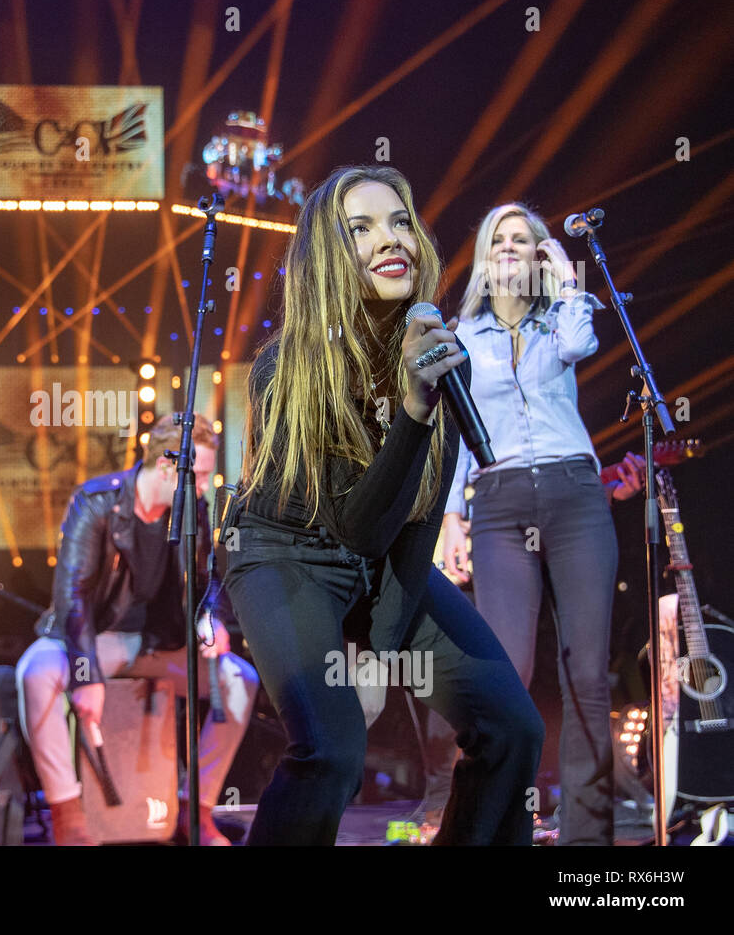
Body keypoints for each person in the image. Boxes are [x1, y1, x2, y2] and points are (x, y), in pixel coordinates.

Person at [221, 165, 544, 846]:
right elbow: (354, 523)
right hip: (286, 555)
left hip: (388, 559)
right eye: (361, 227)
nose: (390, 238)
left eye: (400, 221)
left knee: (513, 727)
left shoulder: (434, 353)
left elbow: (414, 522)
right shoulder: (289, 368)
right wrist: (414, 413)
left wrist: (379, 652)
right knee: (333, 751)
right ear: (329, 257)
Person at [437, 202, 637, 845]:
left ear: (538, 255)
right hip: (498, 503)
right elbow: (459, 437)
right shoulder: (461, 337)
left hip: (574, 492)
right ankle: (503, 826)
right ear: (484, 258)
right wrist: (451, 515)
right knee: (506, 671)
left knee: (585, 672)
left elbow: (583, 345)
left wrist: (568, 281)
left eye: (522, 241)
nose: (509, 250)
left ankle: (586, 842)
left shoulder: (561, 323)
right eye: (499, 241)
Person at [17, 413, 261, 845]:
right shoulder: (96, 503)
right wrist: (85, 674)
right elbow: (71, 595)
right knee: (34, 672)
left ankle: (195, 811)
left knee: (239, 680)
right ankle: (68, 817)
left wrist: (211, 619)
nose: (204, 486)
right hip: (98, 640)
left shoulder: (193, 510)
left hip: (157, 646)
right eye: (199, 475)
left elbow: (208, 583)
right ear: (168, 467)